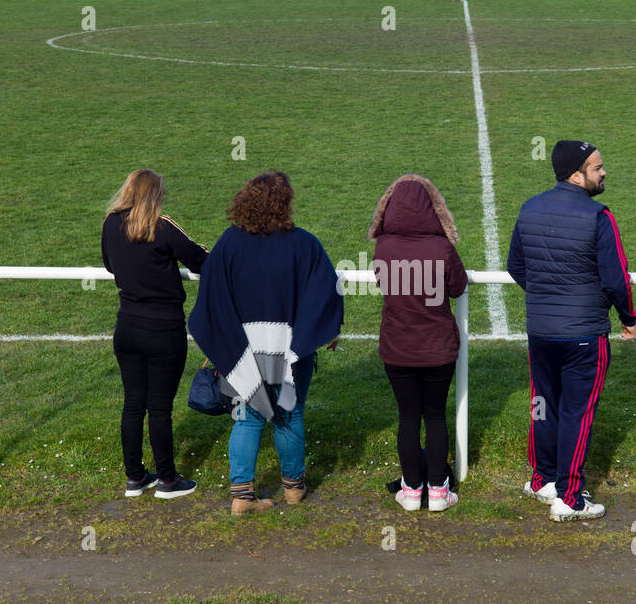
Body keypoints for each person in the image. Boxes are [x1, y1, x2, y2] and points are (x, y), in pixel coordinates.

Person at [188, 172, 344, 515]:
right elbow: (325, 295)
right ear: (285, 203)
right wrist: (325, 332)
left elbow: (211, 299)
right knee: (289, 414)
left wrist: (220, 343)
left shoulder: (228, 244)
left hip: (240, 351)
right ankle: (293, 489)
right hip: (289, 350)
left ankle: (242, 497)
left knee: (246, 418)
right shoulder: (305, 244)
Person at [507, 141, 636, 522]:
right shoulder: (599, 216)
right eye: (598, 167)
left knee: (542, 406)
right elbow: (616, 278)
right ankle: (569, 496)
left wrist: (548, 295)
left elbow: (516, 266)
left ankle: (542, 480)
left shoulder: (530, 208)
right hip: (584, 334)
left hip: (541, 331)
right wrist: (627, 316)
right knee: (576, 412)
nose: (604, 172)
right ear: (576, 174)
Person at [101, 169, 208, 501]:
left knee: (133, 404)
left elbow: (109, 265)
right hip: (164, 330)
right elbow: (201, 261)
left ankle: (135, 478)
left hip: (127, 328)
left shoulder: (110, 224)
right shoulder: (162, 227)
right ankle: (167, 480)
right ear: (155, 196)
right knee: (160, 408)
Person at [368, 175, 467, 512]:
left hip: (398, 349)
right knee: (435, 416)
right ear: (430, 208)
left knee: (408, 416)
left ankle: (411, 490)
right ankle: (438, 491)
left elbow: (385, 282)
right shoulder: (442, 248)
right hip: (438, 349)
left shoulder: (383, 246)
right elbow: (458, 287)